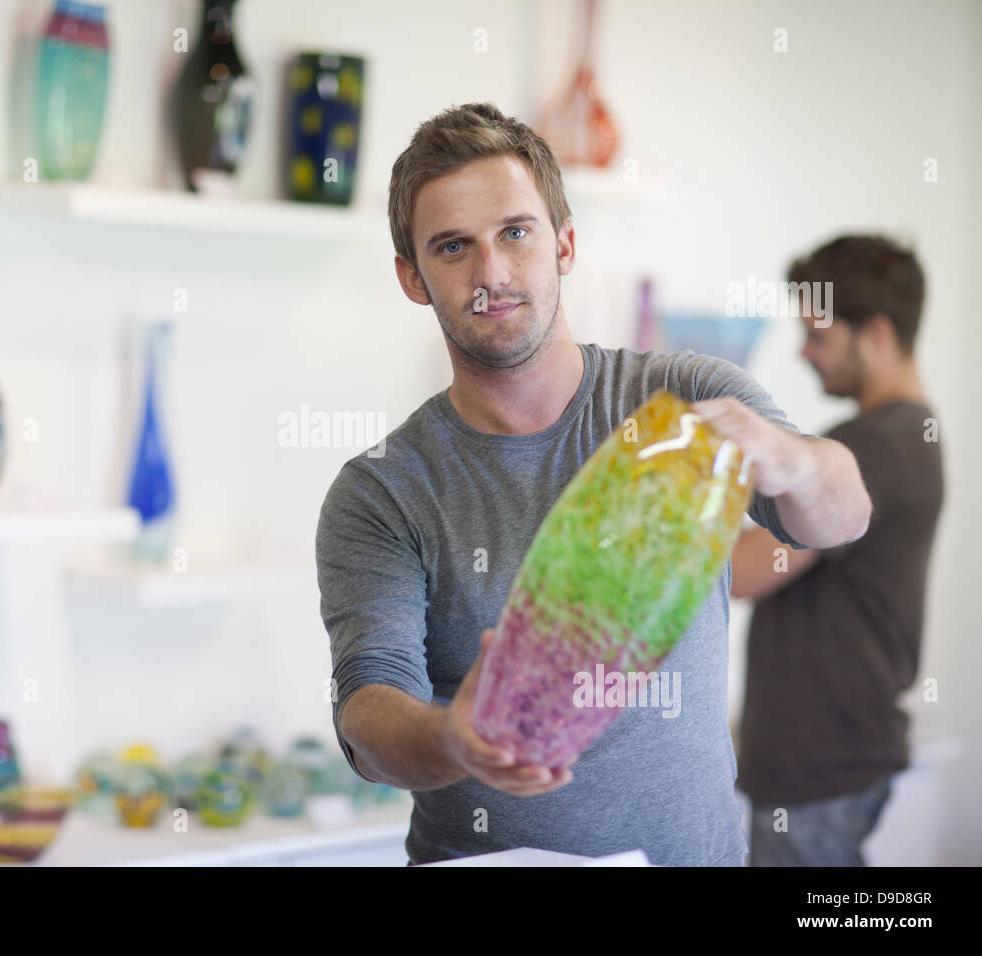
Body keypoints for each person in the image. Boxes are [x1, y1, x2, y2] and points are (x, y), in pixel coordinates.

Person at [314, 102, 871, 867]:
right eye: (453, 248)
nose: (492, 275)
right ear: (414, 278)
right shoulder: (380, 492)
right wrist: (453, 738)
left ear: (565, 243)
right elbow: (368, 713)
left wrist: (798, 460)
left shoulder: (682, 399)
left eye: (516, 232)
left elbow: (841, 516)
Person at [732, 235, 944, 867]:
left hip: (819, 765)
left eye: (819, 335)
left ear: (876, 333)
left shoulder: (869, 446)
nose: (804, 351)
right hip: (836, 755)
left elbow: (746, 570)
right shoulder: (909, 434)